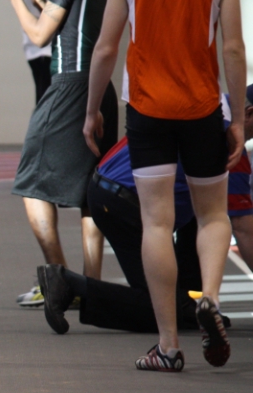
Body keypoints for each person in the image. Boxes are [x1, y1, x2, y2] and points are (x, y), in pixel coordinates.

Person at [83, 0, 246, 371]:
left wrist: (92, 111)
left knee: (158, 221)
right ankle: (211, 298)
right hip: (202, 108)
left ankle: (169, 345)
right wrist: (237, 117)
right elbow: (235, 48)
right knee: (214, 215)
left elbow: (107, 47)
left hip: (148, 110)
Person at [40, 92, 253, 337]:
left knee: (205, 208)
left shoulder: (200, 105)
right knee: (164, 311)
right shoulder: (227, 145)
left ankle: (185, 299)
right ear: (249, 114)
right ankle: (70, 285)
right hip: (123, 204)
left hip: (112, 190)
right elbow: (244, 229)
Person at [0, 0, 117, 308]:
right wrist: (40, 1)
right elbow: (74, 26)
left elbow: (39, 36)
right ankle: (92, 290)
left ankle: (61, 280)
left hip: (69, 87)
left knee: (32, 182)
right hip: (103, 90)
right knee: (89, 192)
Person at [20, 0, 63, 103]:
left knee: (52, 101)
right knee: (45, 101)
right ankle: (39, 128)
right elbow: (40, 22)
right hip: (42, 52)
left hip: (54, 52)